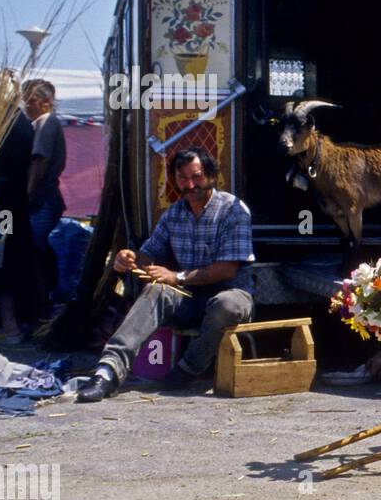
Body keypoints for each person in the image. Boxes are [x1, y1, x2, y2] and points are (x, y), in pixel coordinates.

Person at [76, 146, 255, 402]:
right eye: (183, 178)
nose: (191, 184)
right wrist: (129, 258)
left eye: (197, 176)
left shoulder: (233, 210)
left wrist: (177, 277)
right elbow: (149, 253)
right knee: (157, 290)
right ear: (175, 180)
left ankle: (188, 369)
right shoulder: (174, 214)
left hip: (232, 291)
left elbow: (227, 269)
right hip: (190, 297)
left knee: (225, 304)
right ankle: (108, 371)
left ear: (212, 176)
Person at [0, 94, 37, 344]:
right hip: (15, 203)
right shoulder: (22, 123)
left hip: (3, 207)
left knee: (3, 258)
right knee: (14, 257)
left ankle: (10, 326)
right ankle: (18, 321)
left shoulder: (0, 122)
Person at [24, 79, 68, 312]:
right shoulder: (44, 123)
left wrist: (28, 194)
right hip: (45, 200)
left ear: (46, 102)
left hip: (43, 202)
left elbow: (39, 161)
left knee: (34, 253)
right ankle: (41, 305)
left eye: (31, 101)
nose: (27, 106)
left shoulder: (45, 123)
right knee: (38, 253)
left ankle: (41, 308)